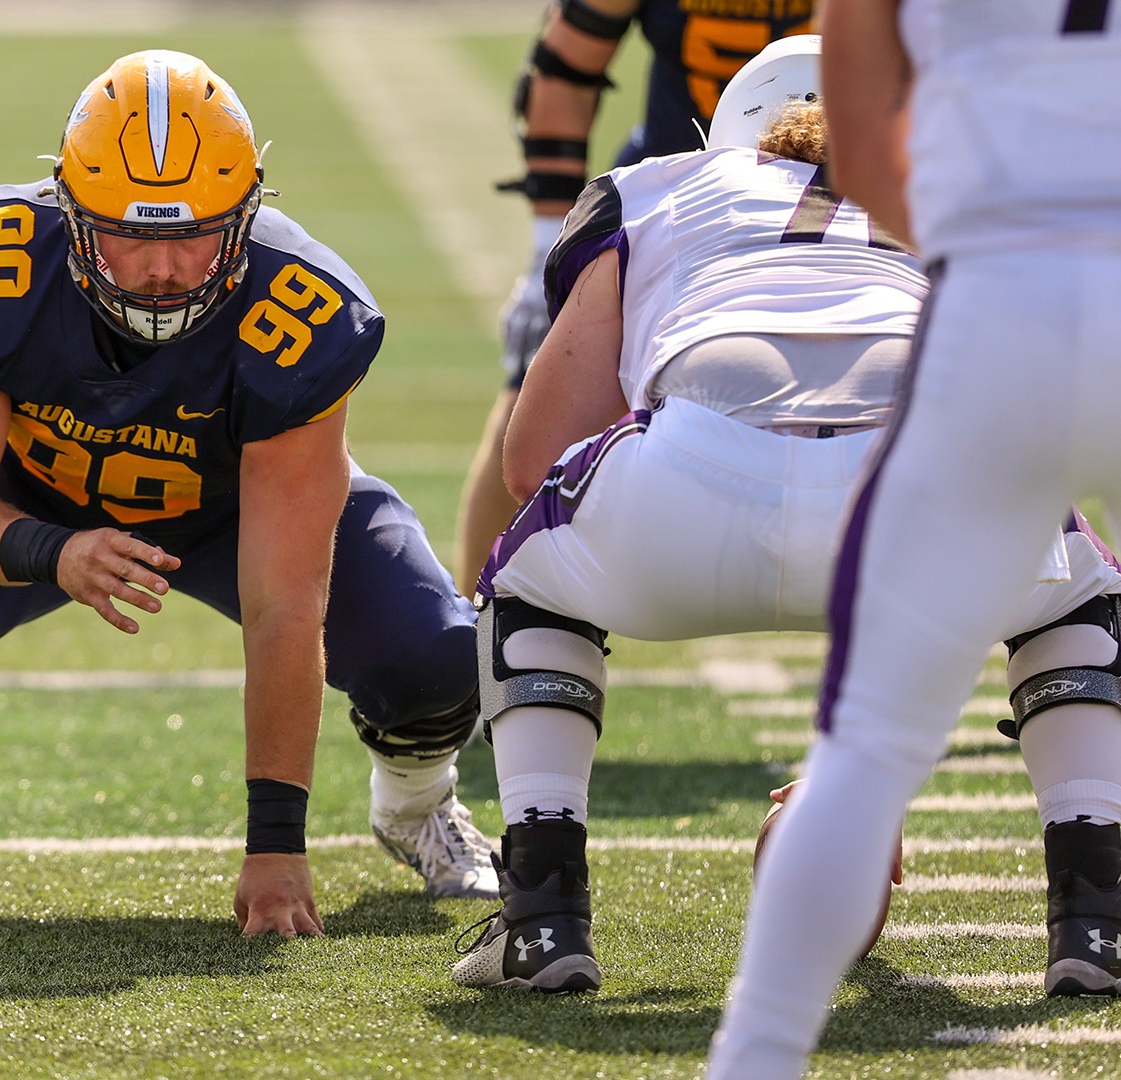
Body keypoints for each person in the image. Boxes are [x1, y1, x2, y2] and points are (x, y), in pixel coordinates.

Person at [0, 49, 492, 933]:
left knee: (438, 657)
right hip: (33, 494)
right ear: (70, 211)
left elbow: (287, 603)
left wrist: (276, 844)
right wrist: (51, 549)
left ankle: (416, 800)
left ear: (248, 215)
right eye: (132, 234)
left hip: (234, 504)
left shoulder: (301, 313)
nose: (165, 268)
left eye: (194, 233)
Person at [448, 35, 1121, 999]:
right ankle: (1095, 922)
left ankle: (542, 920)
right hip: (925, 487)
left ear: (729, 134)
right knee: (1077, 594)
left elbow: (529, 457)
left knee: (527, 581)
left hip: (695, 492)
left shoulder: (656, 188)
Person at [711, 3, 1121, 1074]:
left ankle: (753, 1059)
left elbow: (862, 142)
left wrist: (986, 253)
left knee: (865, 754)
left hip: (1001, 307)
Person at [455, 0, 818, 592]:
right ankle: (472, 632)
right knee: (537, 393)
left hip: (843, 189)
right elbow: (564, 67)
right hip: (678, 197)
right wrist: (545, 249)